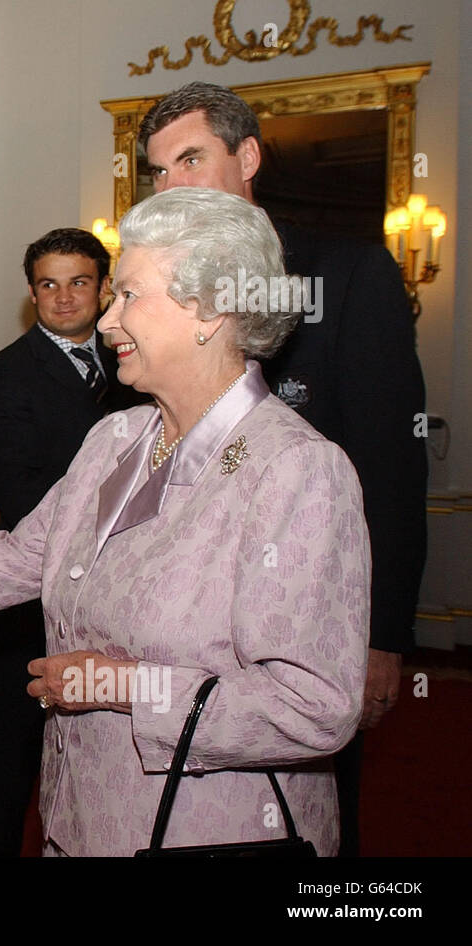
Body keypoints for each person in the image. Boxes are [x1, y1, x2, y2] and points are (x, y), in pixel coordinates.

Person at [0, 187, 369, 857]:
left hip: (211, 829)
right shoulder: (116, 437)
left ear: (210, 310)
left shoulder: (296, 470)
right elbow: (23, 558)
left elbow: (316, 707)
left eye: (129, 297)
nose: (107, 322)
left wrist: (118, 685)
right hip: (78, 815)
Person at [138, 81, 427, 855]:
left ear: (249, 158)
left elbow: (392, 471)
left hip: (307, 622)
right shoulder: (148, 294)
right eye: (159, 171)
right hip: (177, 623)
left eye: (191, 159)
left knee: (303, 818)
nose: (173, 186)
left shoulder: (348, 275)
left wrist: (382, 635)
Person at [0, 228, 143, 856]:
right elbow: (23, 498)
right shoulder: (1, 376)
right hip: (29, 595)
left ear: (103, 288)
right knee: (8, 759)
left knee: (109, 750)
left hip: (126, 598)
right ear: (31, 292)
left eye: (79, 283)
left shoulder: (137, 366)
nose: (64, 298)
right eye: (48, 284)